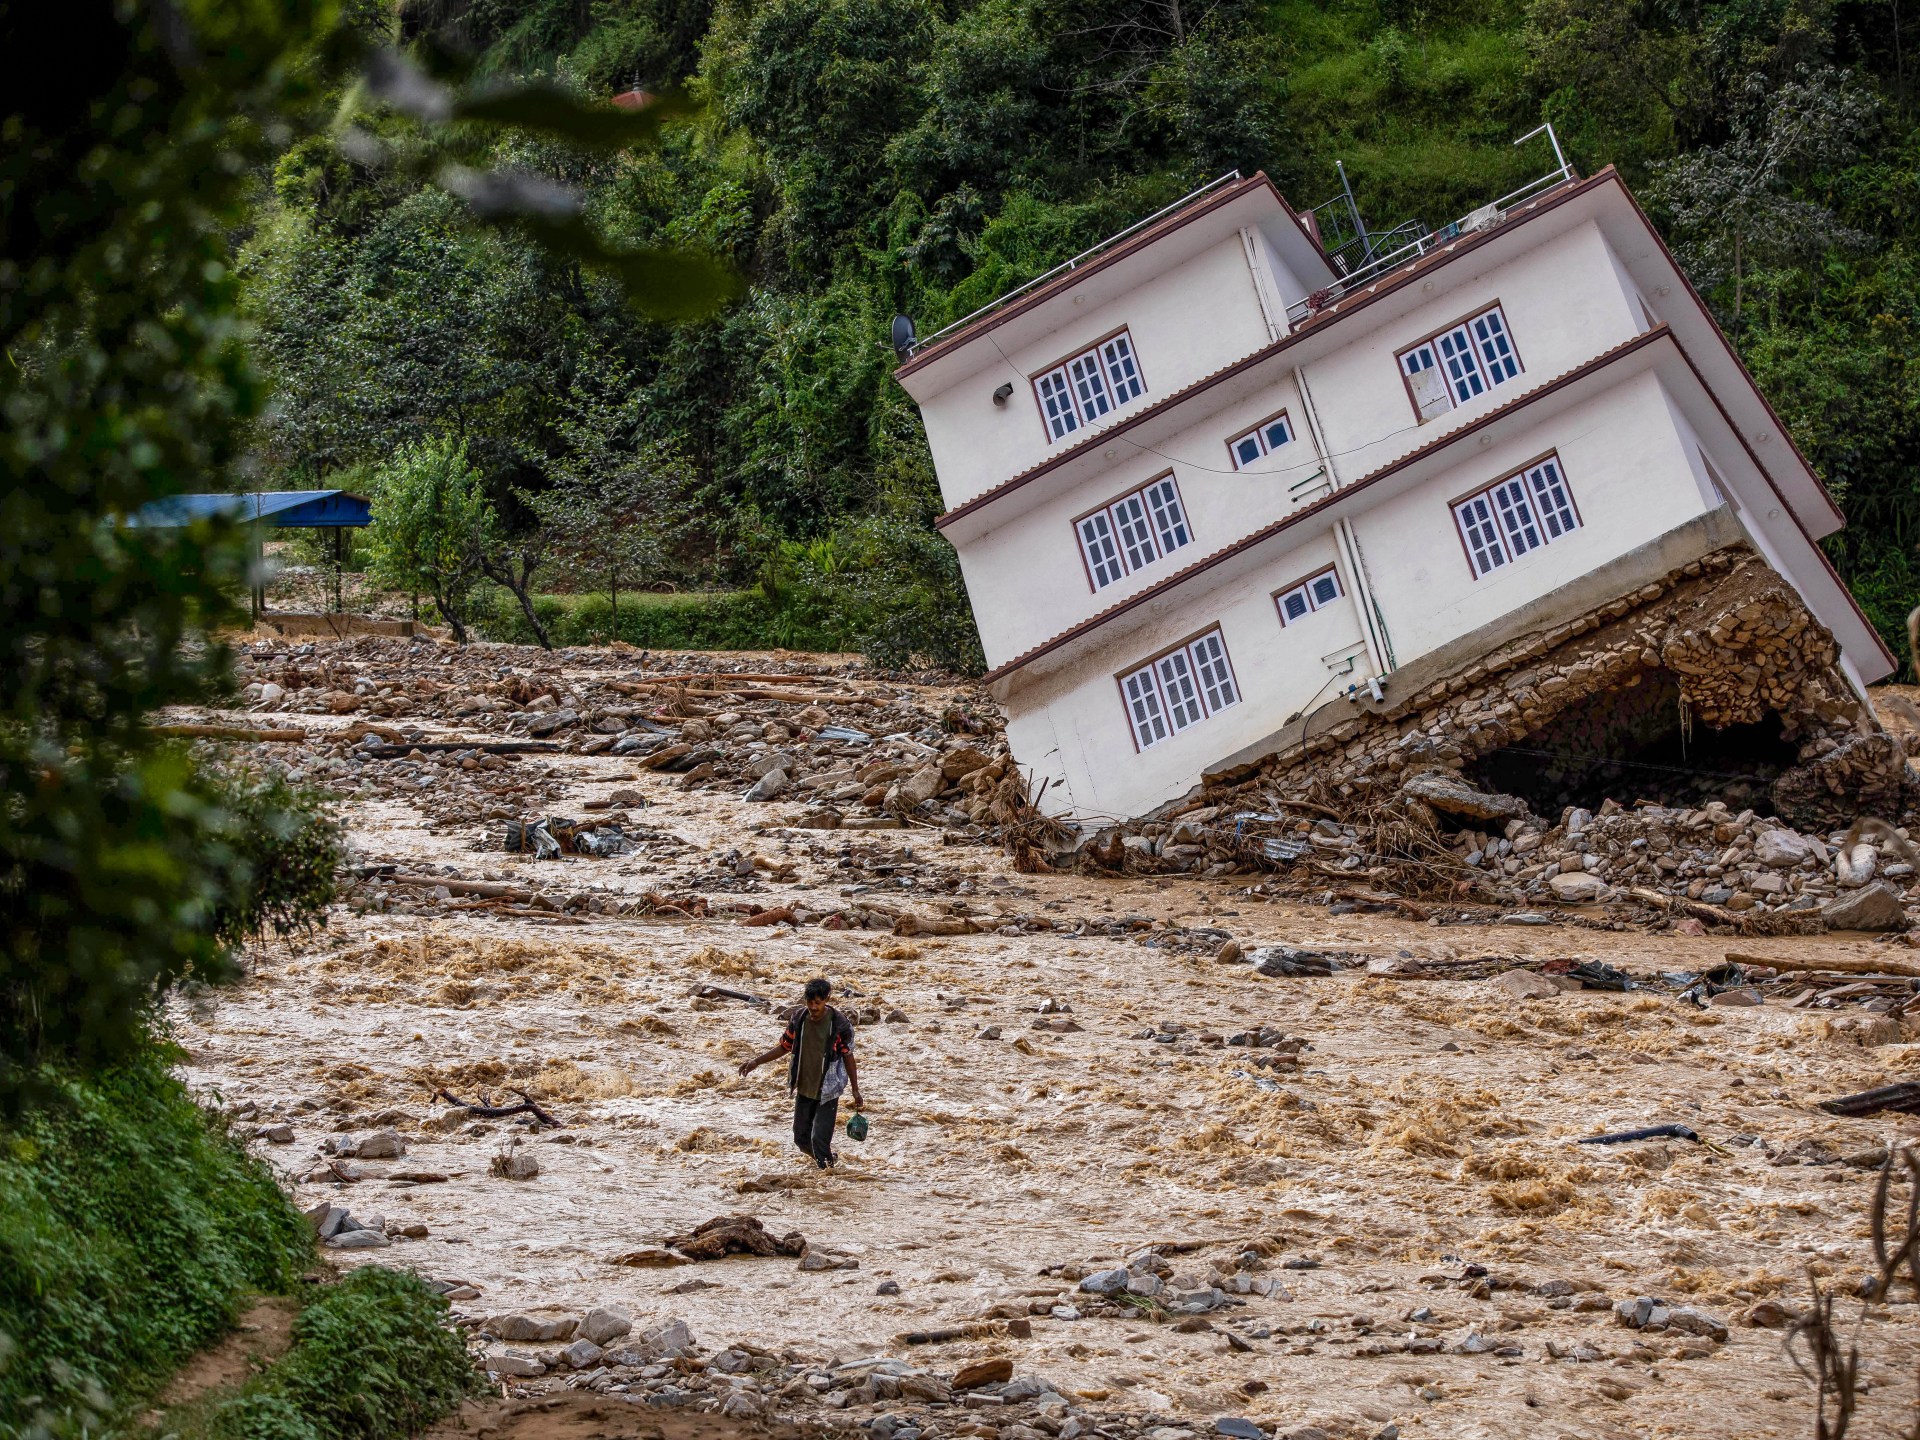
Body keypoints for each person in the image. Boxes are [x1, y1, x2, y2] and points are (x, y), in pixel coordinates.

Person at [737, 977, 865, 1169]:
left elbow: (848, 1057)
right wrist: (757, 1061)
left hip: (828, 1091)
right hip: (804, 1086)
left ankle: (826, 1183)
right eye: (809, 1002)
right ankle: (830, 1166)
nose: (813, 1007)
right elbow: (784, 1046)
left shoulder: (838, 1025)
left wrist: (855, 1090)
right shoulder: (799, 1019)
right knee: (800, 1138)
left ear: (827, 999)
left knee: (819, 1140)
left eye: (817, 1003)